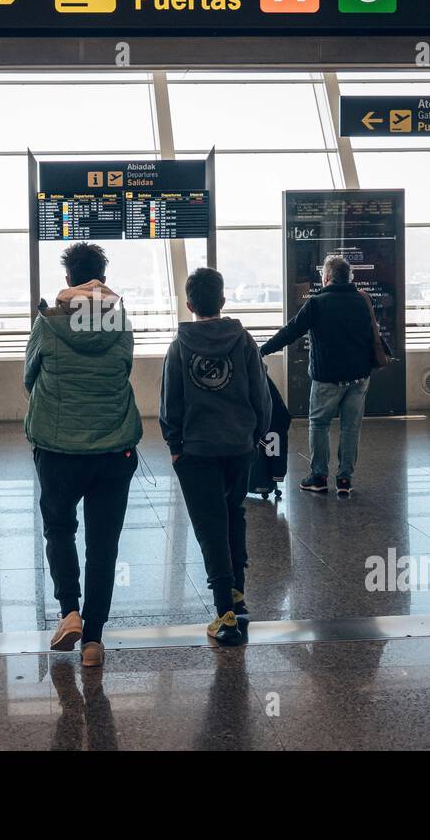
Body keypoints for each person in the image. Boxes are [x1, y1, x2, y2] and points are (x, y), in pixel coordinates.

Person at [25, 242, 142, 669]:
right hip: (114, 449)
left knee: (59, 529)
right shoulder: (121, 321)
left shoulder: (47, 323)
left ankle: (69, 611)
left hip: (58, 451)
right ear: (103, 280)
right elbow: (124, 369)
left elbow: (29, 375)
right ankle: (93, 640)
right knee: (104, 544)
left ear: (69, 281)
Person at [160, 267, 271, 646]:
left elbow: (170, 402)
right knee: (233, 513)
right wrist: (253, 435)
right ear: (223, 301)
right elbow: (261, 395)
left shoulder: (180, 346)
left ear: (189, 304)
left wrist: (175, 447)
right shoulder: (244, 341)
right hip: (239, 446)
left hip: (197, 450)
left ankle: (224, 614)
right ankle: (237, 593)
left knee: (210, 527)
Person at [259, 253, 376, 497]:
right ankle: (344, 480)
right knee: (351, 427)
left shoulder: (317, 303)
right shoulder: (362, 300)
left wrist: (262, 350)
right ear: (349, 278)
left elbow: (290, 332)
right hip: (359, 377)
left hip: (327, 378)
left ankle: (319, 477)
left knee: (320, 424)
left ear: (326, 278)